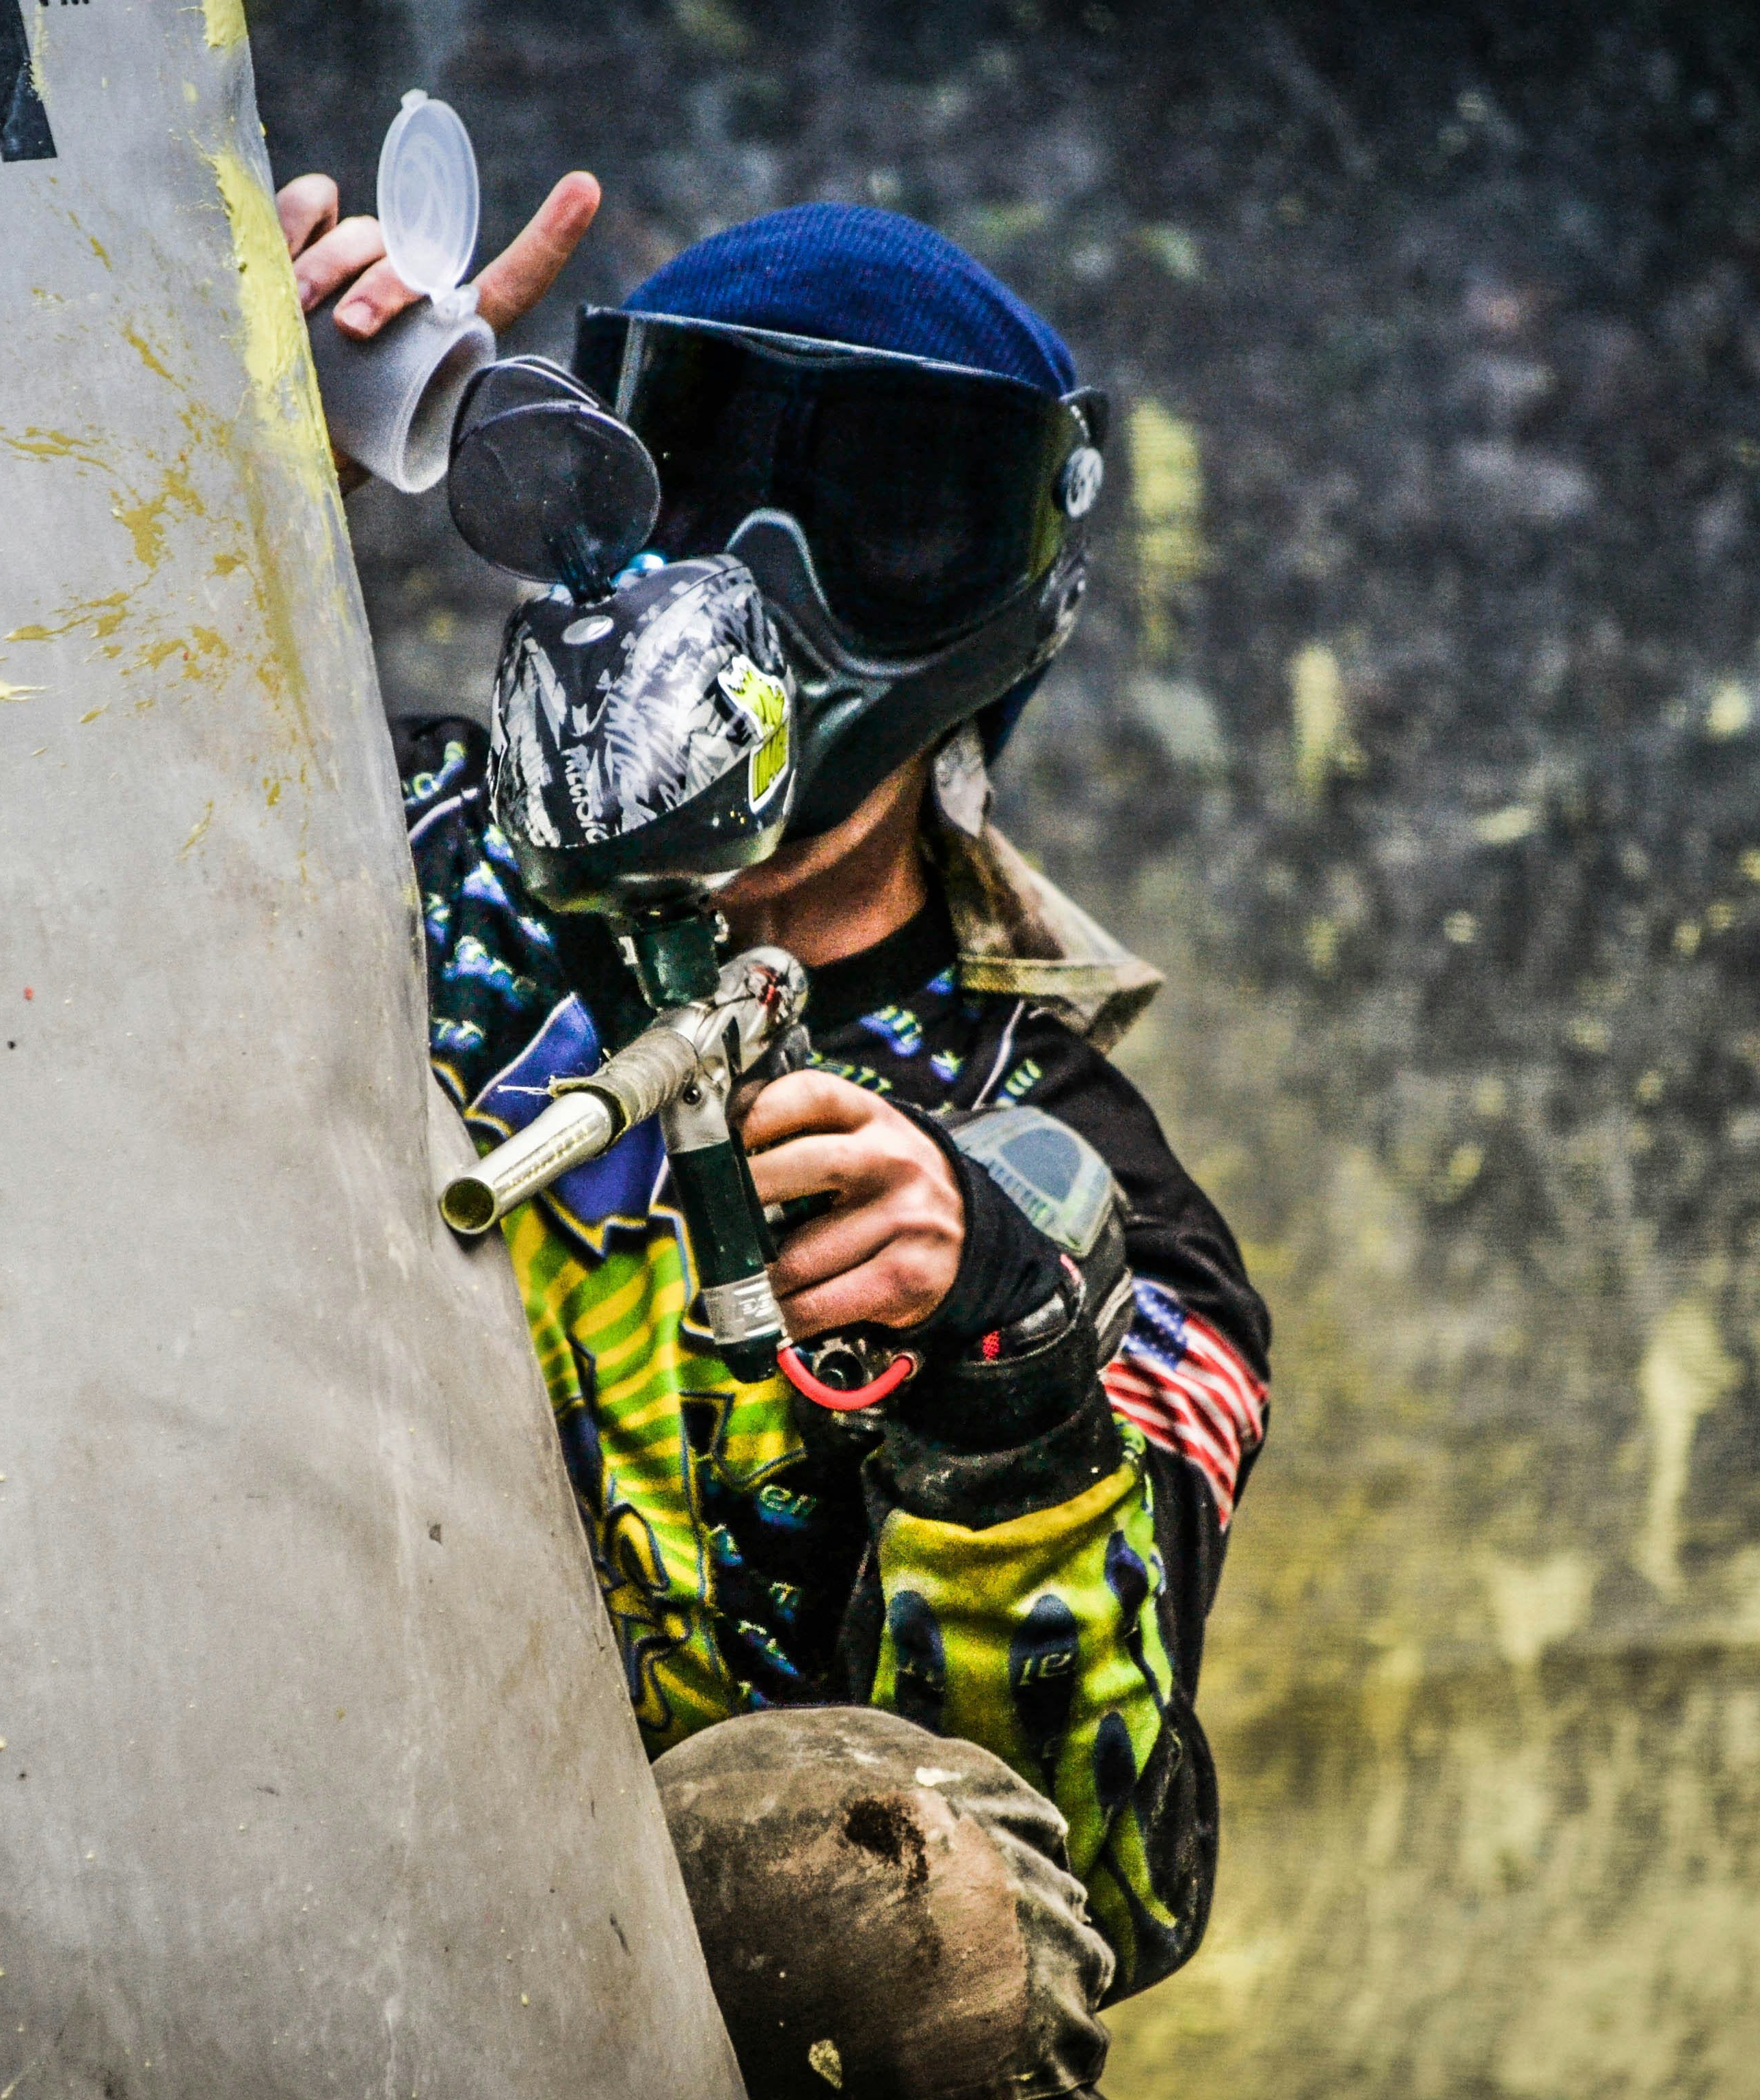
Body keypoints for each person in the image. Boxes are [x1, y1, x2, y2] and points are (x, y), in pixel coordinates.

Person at [282, 167, 1270, 2100]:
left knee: (905, 1919)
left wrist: (1005, 1385)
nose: (763, 577)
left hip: (636, 1977)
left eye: (885, 513)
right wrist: (237, 493)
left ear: (996, 602)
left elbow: (1088, 1890)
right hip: (187, 1717)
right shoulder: (340, 841)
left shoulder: (1078, 1190)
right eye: (709, 464)